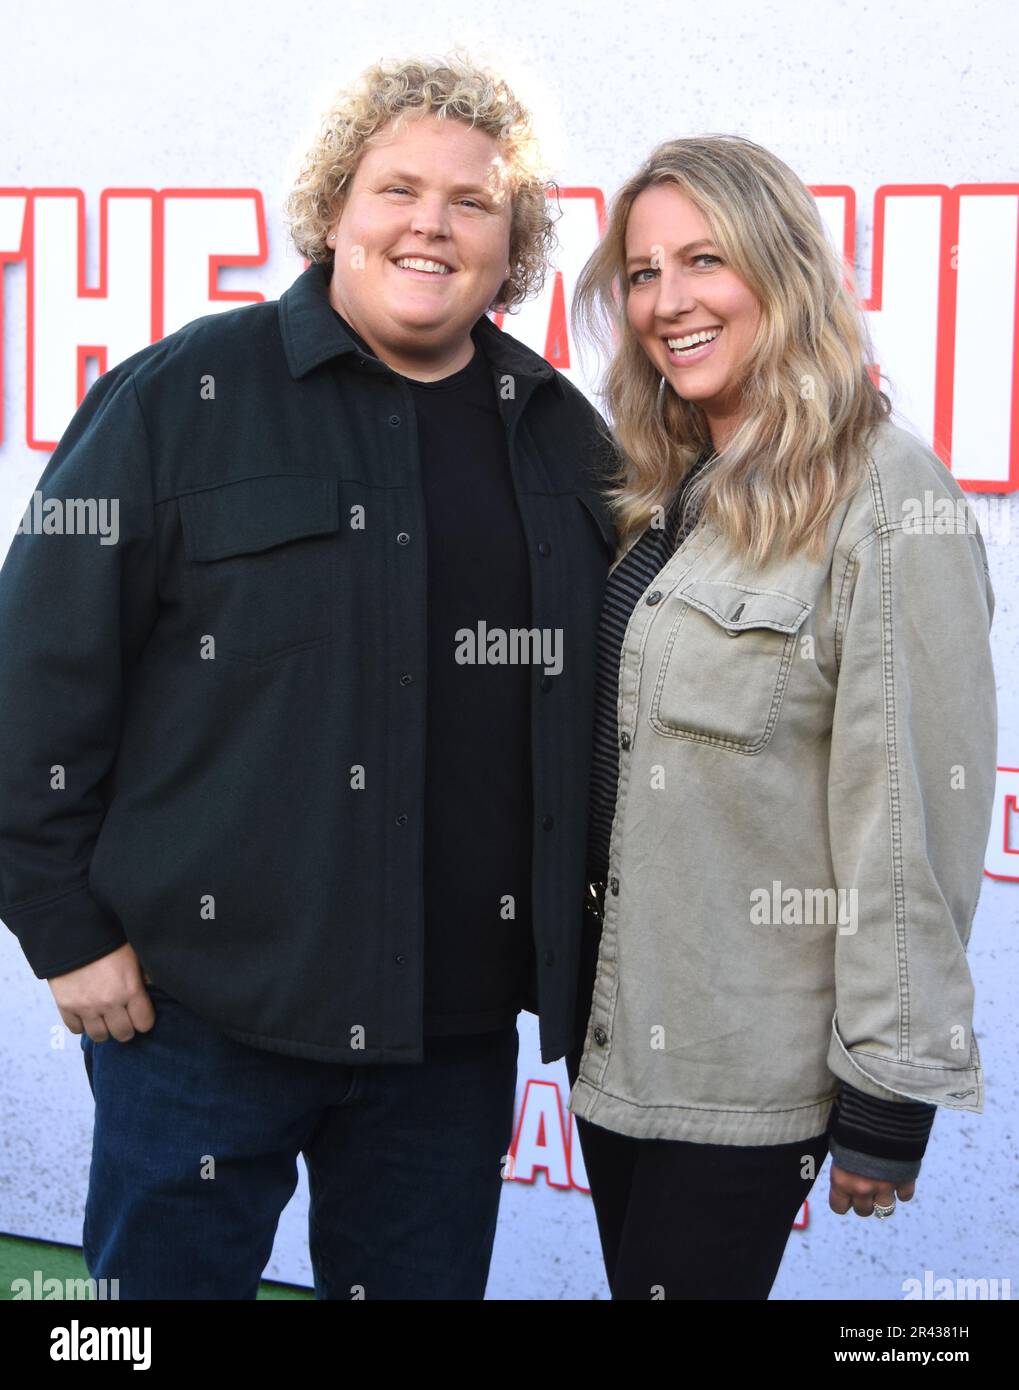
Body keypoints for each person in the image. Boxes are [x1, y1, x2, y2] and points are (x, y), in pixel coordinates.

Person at [0, 54, 618, 1299]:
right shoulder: (181, 398)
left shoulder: (560, 435)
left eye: (472, 201)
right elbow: (34, 678)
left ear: (518, 241)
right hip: (195, 1015)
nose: (430, 225)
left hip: (447, 1036)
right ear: (334, 204)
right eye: (397, 188)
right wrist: (66, 932)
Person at [565, 134, 998, 1300]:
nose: (666, 300)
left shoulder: (882, 493)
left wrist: (885, 1091)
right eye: (642, 272)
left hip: (746, 1073)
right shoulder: (664, 483)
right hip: (618, 1052)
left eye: (703, 259)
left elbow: (904, 812)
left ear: (783, 269)